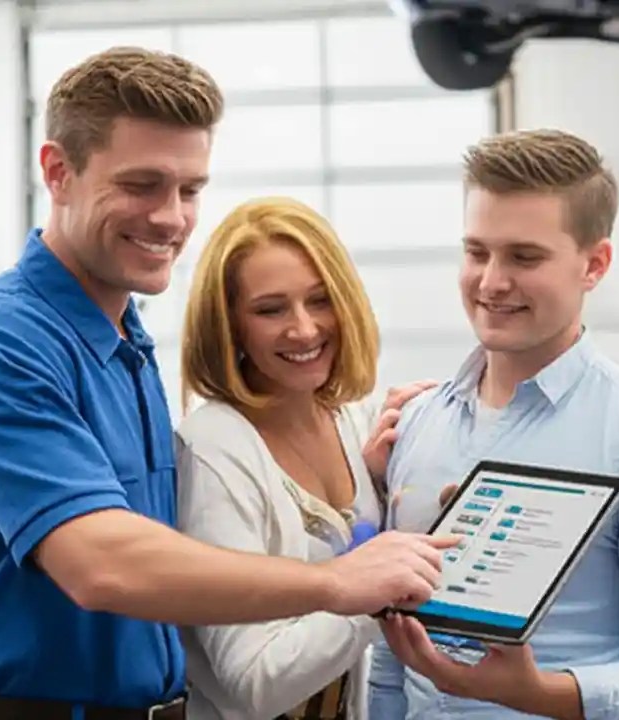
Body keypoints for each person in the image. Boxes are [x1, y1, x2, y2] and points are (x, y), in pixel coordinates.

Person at [0, 47, 453, 720]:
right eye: (141, 184)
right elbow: (102, 564)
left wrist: (359, 497)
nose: (171, 218)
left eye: (189, 189)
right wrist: (335, 582)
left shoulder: (123, 342)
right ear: (57, 171)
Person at [368, 129, 619, 720]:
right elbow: (394, 656)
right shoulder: (417, 427)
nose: (491, 282)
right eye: (476, 251)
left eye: (524, 257)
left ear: (594, 264)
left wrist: (541, 693)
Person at [172, 196, 437, 720]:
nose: (305, 329)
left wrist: (395, 490)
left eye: (319, 300)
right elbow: (254, 682)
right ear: (230, 327)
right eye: (271, 309)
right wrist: (377, 593)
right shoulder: (212, 449)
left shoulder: (348, 419)